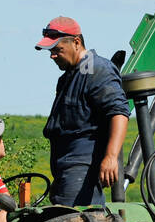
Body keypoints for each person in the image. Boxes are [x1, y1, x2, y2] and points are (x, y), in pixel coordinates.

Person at [36, 16, 130, 207]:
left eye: (57, 49)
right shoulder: (68, 77)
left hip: (82, 168)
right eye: (50, 51)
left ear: (76, 42)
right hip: (66, 167)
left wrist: (111, 157)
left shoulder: (97, 69)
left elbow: (119, 112)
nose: (52, 56)